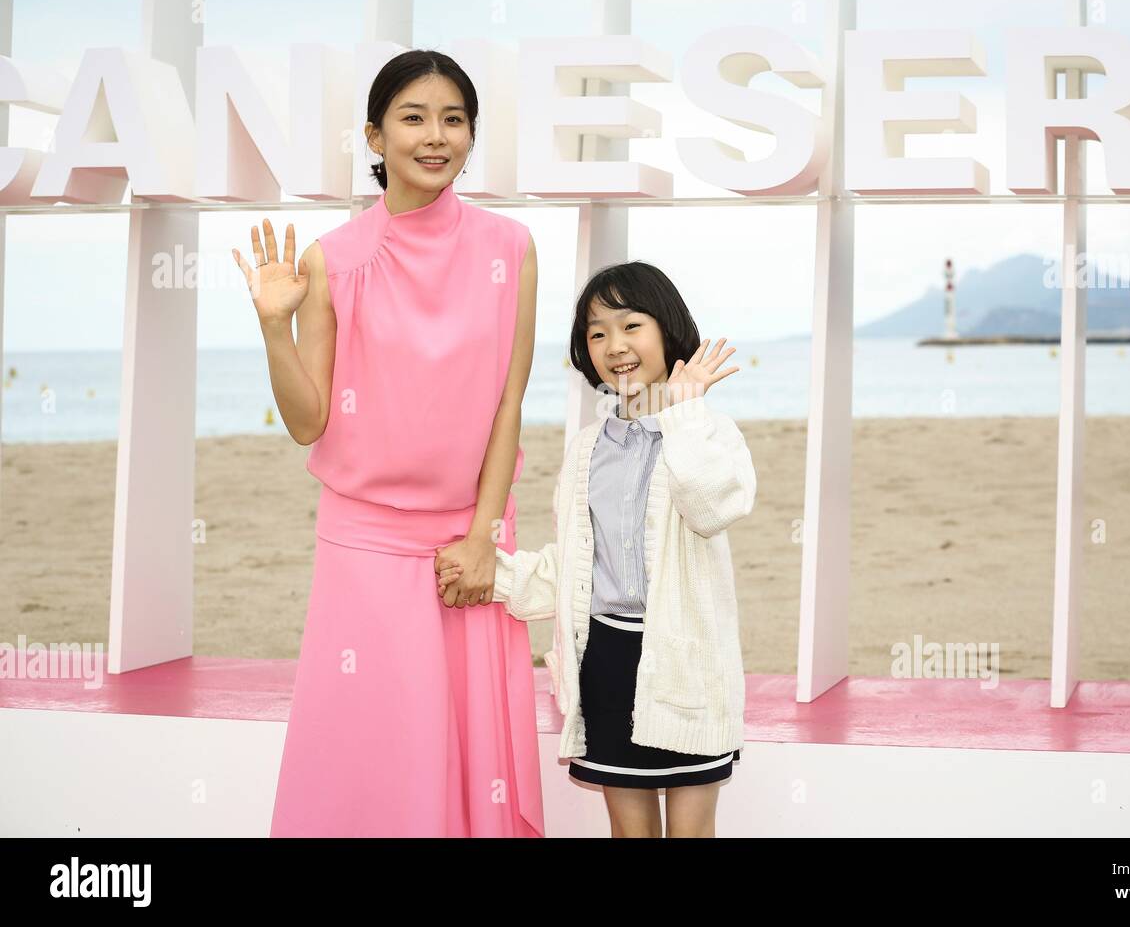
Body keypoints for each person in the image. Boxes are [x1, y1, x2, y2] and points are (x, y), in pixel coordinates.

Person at [231, 49, 543, 837]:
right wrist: (273, 328)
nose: (435, 136)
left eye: (453, 120)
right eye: (413, 118)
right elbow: (308, 421)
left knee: (469, 760)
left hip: (468, 546)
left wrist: (483, 539)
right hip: (364, 547)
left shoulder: (511, 248)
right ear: (374, 136)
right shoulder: (330, 260)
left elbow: (508, 403)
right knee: (372, 749)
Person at [437, 261, 756, 837]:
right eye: (597, 333)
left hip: (686, 664)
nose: (615, 346)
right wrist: (492, 572)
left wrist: (683, 412)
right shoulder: (587, 449)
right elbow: (575, 567)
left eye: (631, 325)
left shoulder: (709, 431)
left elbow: (712, 507)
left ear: (667, 329)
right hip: (605, 660)